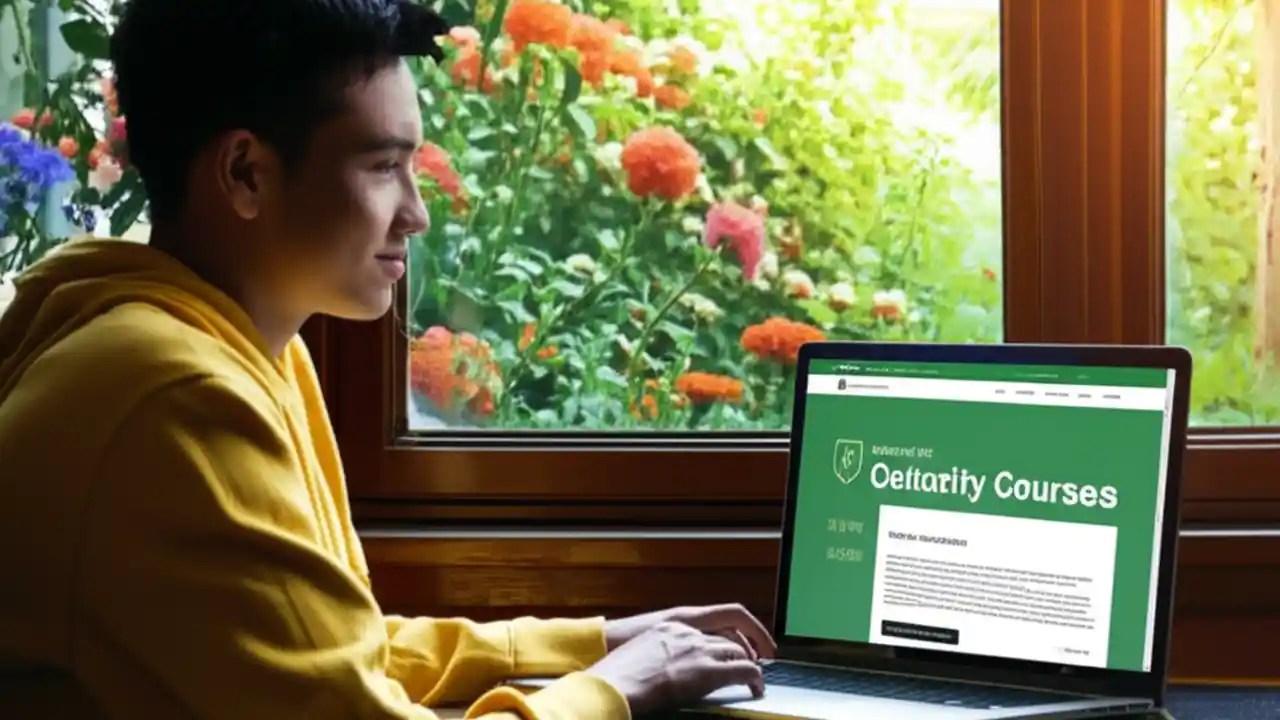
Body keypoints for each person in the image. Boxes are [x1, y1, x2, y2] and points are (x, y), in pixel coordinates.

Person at [0, 1, 776, 718]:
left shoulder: (237, 348)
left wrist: (595, 642)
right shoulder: (170, 394)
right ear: (244, 173)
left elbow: (331, 651)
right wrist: (612, 692)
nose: (417, 211)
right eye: (382, 166)